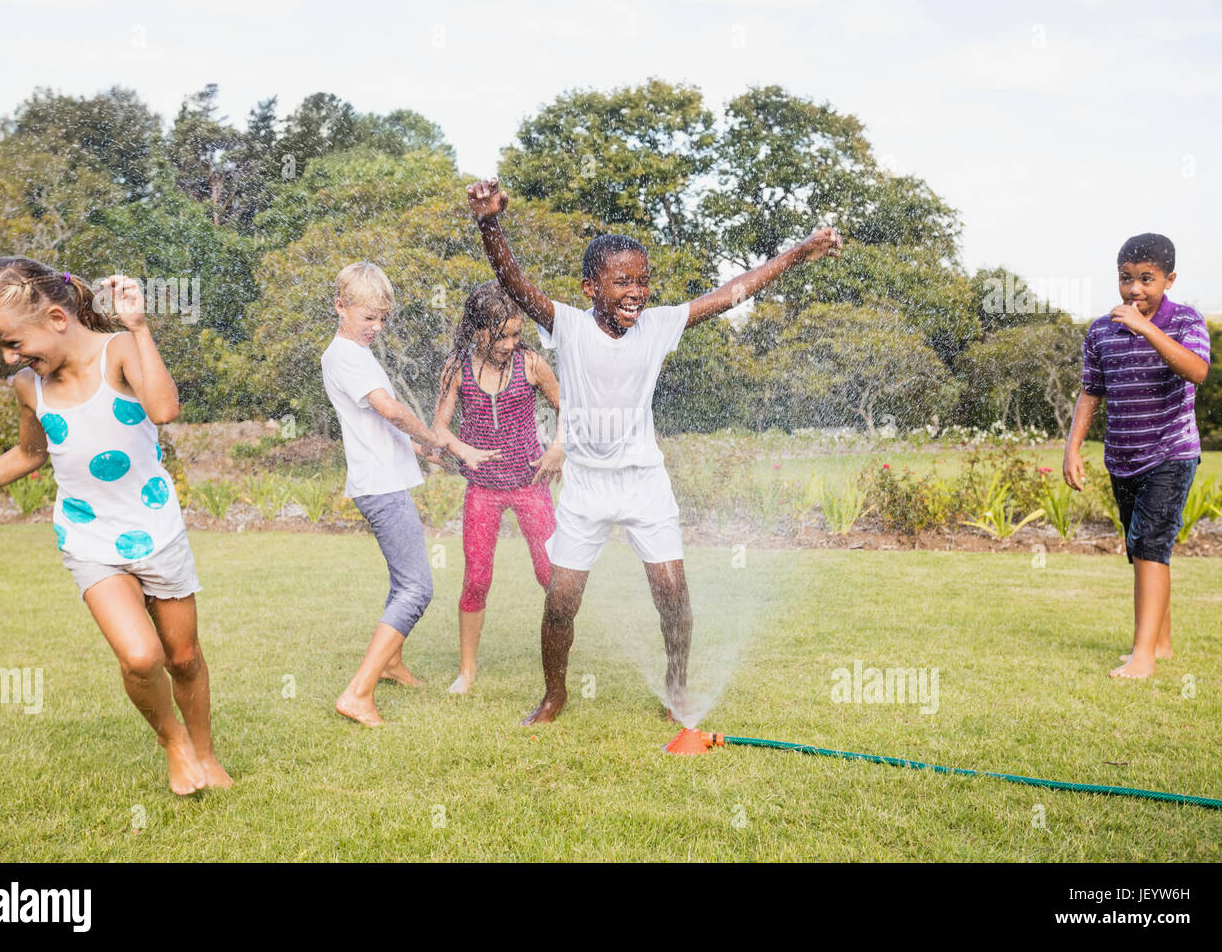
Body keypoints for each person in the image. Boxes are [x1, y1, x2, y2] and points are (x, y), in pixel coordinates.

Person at [465, 178, 843, 724]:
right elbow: (514, 281)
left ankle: (677, 685)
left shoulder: (659, 324)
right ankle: (554, 695)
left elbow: (735, 291)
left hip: (644, 481)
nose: (636, 292)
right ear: (591, 286)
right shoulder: (567, 326)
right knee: (561, 603)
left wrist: (798, 253)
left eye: (643, 281)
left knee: (672, 592)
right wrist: (489, 223)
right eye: (622, 282)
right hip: (587, 487)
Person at [0, 257, 231, 794]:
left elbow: (164, 410)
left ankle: (206, 751)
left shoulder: (118, 352)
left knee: (184, 658)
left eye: (11, 342)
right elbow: (30, 454)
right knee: (142, 657)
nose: (9, 357)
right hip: (89, 537)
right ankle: (173, 742)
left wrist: (139, 327)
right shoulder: (29, 386)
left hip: (155, 528)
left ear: (56, 317)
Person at [321, 262, 497, 726]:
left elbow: (377, 425)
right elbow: (390, 409)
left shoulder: (356, 351)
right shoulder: (344, 356)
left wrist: (420, 450)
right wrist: (437, 438)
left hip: (387, 478)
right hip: (379, 487)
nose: (377, 327)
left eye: (383, 318)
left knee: (405, 583)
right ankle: (358, 693)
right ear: (340, 307)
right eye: (368, 317)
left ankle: (392, 663)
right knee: (417, 588)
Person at [1062, 233, 1210, 679]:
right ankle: (1159, 644)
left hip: (1171, 451)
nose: (1134, 290)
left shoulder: (1185, 320)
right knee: (1141, 548)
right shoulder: (1102, 330)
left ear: (1169, 279)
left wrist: (1146, 328)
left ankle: (1142, 657)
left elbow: (1197, 370)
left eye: (1146, 279)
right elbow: (1091, 392)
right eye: (1126, 279)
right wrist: (1072, 448)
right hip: (1123, 456)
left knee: (1150, 545)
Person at [431, 282, 563, 695]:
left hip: (529, 483)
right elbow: (438, 429)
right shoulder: (457, 368)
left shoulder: (532, 364)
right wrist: (459, 446)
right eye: (500, 335)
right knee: (476, 580)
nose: (508, 343)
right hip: (483, 489)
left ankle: (558, 659)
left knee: (551, 574)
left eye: (515, 334)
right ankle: (467, 671)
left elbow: (570, 408)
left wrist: (559, 447)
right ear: (477, 331)